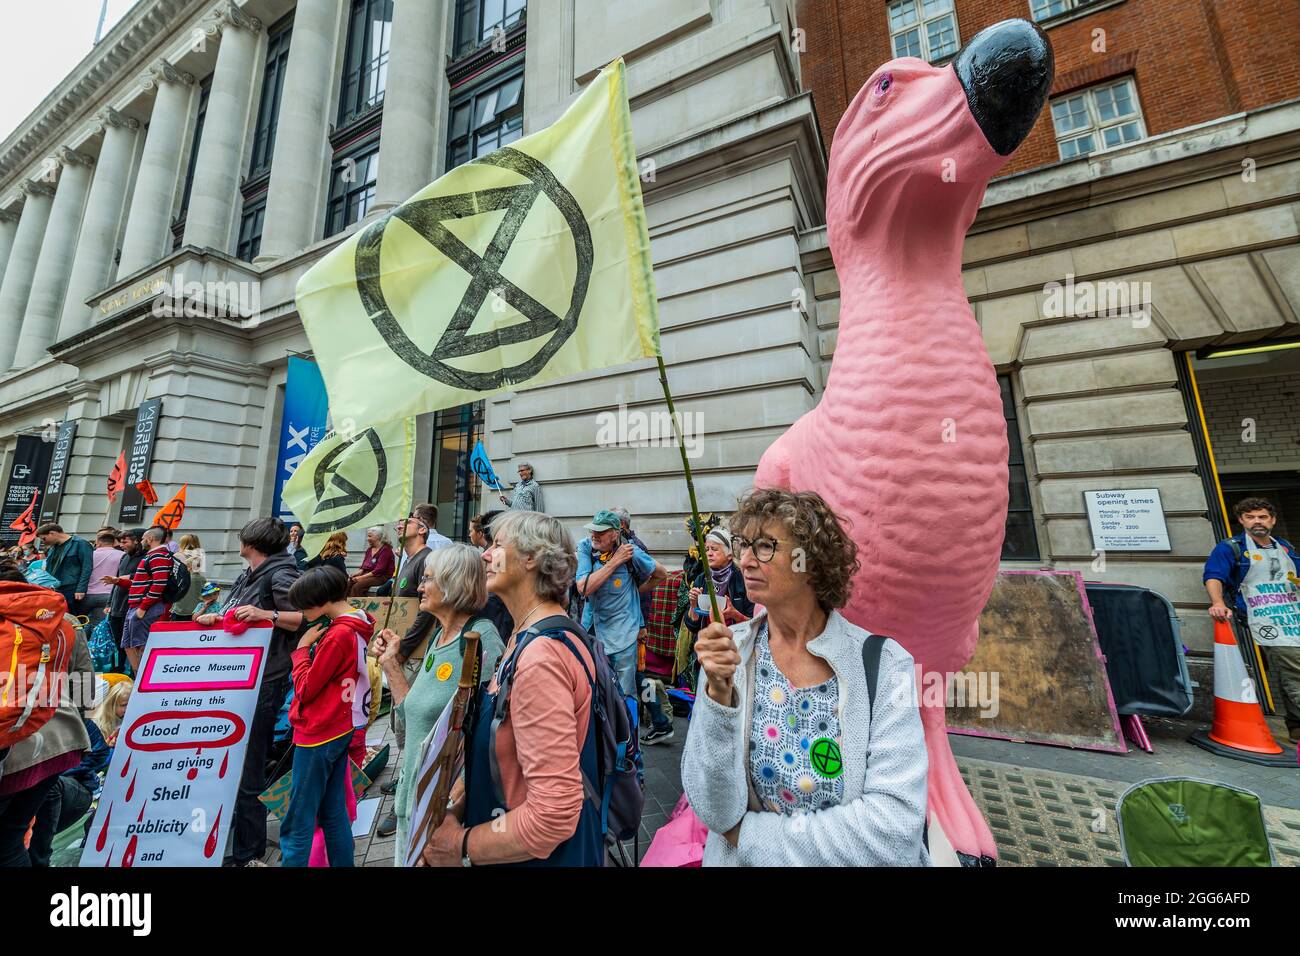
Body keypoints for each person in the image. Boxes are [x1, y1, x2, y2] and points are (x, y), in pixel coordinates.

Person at [681, 488, 930, 866]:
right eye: (742, 544)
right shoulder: (730, 653)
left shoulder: (886, 665)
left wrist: (750, 836)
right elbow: (716, 813)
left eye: (764, 547)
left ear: (810, 562)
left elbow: (893, 831)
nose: (745, 560)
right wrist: (719, 695)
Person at [419, 510, 602, 866]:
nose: (485, 554)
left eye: (498, 545)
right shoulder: (529, 635)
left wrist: (462, 845)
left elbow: (552, 815)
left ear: (532, 558)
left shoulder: (540, 658)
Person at [371, 544, 504, 861]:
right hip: (413, 802)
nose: (419, 586)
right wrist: (391, 665)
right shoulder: (437, 637)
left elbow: (489, 740)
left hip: (442, 815)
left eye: (427, 578)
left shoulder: (480, 640)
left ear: (453, 583)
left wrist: (451, 803)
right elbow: (409, 720)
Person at [193, 516, 304, 867]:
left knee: (248, 767)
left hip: (262, 681)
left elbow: (306, 616)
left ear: (249, 544)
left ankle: (249, 852)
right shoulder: (253, 573)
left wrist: (264, 613)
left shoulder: (280, 573)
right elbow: (240, 616)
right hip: (240, 677)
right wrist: (217, 618)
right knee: (236, 761)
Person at [278, 566, 373, 867]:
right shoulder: (357, 623)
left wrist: (302, 650)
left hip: (319, 730)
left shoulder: (337, 635)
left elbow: (305, 689)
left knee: (299, 818)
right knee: (333, 813)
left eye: (304, 606)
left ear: (318, 601)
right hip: (340, 725)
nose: (304, 614)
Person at [0, 558, 91, 867]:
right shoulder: (61, 621)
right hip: (61, 735)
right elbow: (83, 681)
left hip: (14, 746)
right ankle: (40, 859)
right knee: (10, 838)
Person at [1204, 496, 1300, 742]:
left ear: (1273, 520)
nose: (1257, 521)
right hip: (1264, 617)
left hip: (1292, 613)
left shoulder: (1284, 546)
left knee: (1292, 671)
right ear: (1241, 520)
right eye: (1250, 517)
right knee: (1293, 667)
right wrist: (1217, 602)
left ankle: (1296, 726)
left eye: (1262, 517)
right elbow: (1214, 576)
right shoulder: (1231, 548)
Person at [575, 509, 666, 697]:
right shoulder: (585, 548)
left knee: (625, 695)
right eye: (593, 530)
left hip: (623, 634)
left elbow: (661, 574)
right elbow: (584, 588)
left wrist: (634, 592)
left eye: (600, 532)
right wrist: (614, 562)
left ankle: (630, 726)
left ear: (615, 533)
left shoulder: (632, 551)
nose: (594, 535)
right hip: (592, 632)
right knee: (594, 691)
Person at [109, 526, 172, 672]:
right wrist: (118, 581)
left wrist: (143, 608)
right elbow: (142, 583)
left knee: (141, 646)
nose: (141, 541)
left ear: (150, 539)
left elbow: (159, 584)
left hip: (144, 607)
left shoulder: (159, 556)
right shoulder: (153, 556)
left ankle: (142, 680)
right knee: (128, 644)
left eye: (143, 538)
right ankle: (139, 680)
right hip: (136, 605)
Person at [684, 527, 755, 635]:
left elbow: (757, 625)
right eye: (707, 549)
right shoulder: (702, 579)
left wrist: (735, 614)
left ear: (729, 555)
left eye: (714, 549)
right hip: (708, 643)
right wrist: (693, 605)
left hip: (736, 644)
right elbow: (693, 628)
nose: (709, 553)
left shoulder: (744, 580)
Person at [101, 529, 145, 673]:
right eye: (120, 542)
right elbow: (115, 581)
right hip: (116, 607)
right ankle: (118, 668)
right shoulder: (124, 557)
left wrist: (122, 580)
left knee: (132, 643)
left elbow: (139, 580)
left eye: (125, 542)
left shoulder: (145, 559)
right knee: (118, 642)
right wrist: (109, 603)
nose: (121, 545)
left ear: (136, 541)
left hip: (132, 607)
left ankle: (135, 671)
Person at [36, 523, 93, 616]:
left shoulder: (80, 543)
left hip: (72, 588)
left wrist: (81, 589)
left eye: (44, 538)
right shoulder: (53, 548)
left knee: (73, 619)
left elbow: (87, 568)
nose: (43, 542)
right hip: (55, 589)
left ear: (52, 533)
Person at [83, 531, 122, 629]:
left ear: (98, 543)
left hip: (86, 594)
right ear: (113, 543)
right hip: (108, 595)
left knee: (80, 623)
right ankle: (93, 643)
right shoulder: (122, 555)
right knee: (98, 626)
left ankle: (80, 642)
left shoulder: (90, 554)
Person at [349, 526, 395, 596]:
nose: (367, 539)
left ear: (378, 537)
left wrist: (361, 577)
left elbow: (379, 570)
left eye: (370, 536)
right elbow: (364, 566)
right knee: (349, 582)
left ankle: (356, 606)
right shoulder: (369, 550)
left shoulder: (386, 550)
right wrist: (357, 574)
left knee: (357, 586)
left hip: (381, 576)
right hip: (369, 574)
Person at [169, 543, 207, 623]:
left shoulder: (183, 578)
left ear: (189, 567)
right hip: (195, 610)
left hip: (180, 610)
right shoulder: (202, 579)